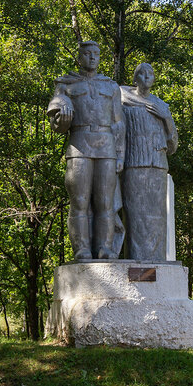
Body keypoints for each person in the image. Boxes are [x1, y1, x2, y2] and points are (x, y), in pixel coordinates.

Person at [47, 41, 125, 260]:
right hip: (79, 144)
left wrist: (121, 154)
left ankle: (105, 248)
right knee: (80, 201)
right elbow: (57, 126)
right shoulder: (65, 84)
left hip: (107, 145)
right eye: (87, 54)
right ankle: (81, 248)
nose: (92, 57)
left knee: (105, 202)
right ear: (79, 58)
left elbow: (119, 123)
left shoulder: (110, 86)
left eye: (96, 54)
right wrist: (62, 118)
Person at [119, 62, 177, 261]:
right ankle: (137, 262)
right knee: (136, 217)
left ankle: (157, 264)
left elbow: (173, 145)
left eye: (150, 73)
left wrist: (166, 118)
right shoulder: (123, 99)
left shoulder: (161, 106)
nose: (146, 77)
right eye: (142, 73)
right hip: (134, 164)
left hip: (158, 165)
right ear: (135, 79)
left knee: (157, 219)